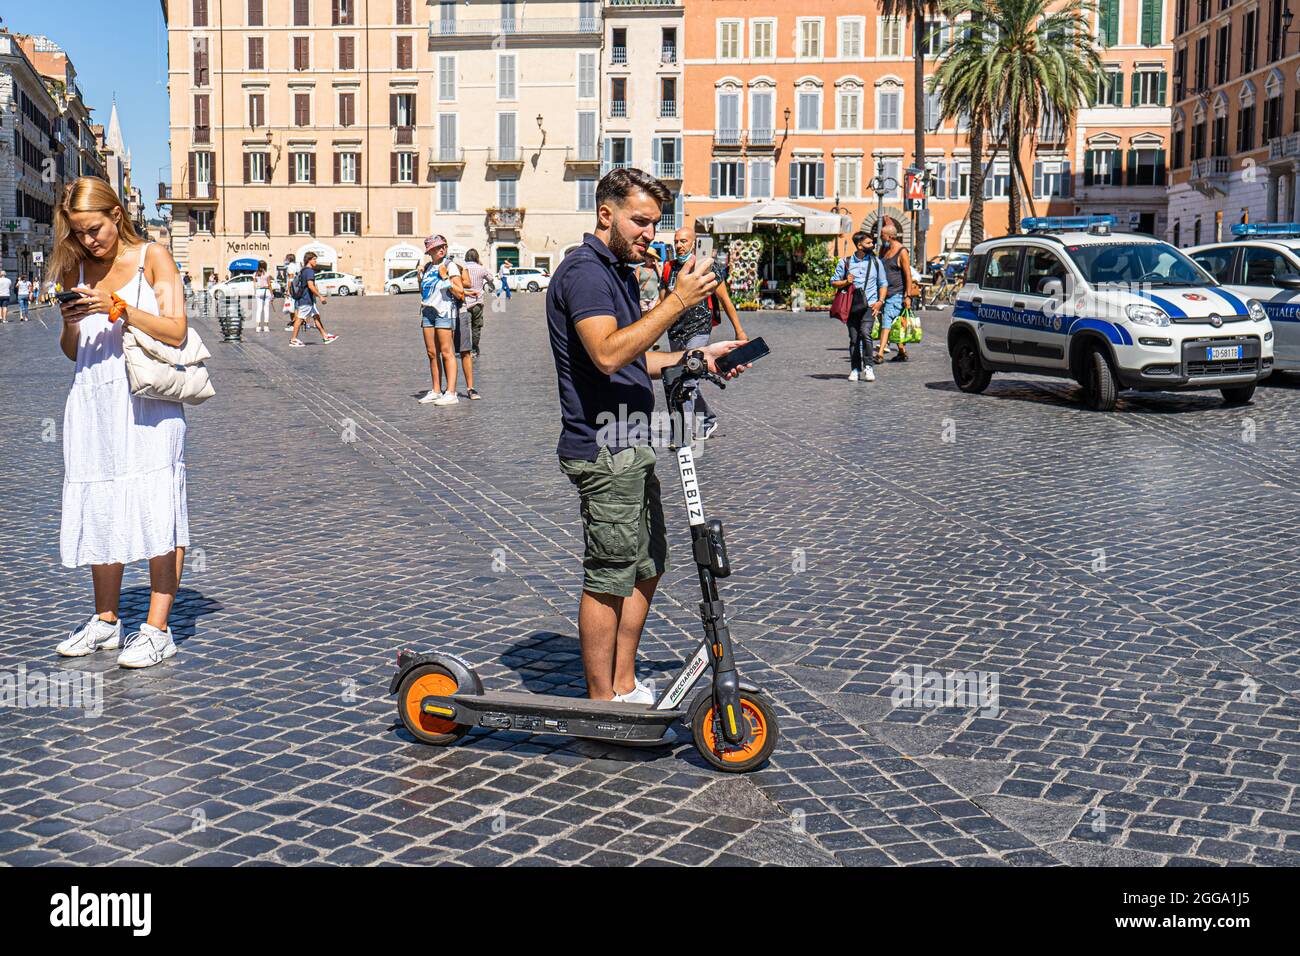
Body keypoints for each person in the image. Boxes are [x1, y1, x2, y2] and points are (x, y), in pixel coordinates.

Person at [547, 167, 747, 707]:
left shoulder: (616, 272)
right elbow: (608, 353)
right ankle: (601, 702)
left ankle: (624, 681)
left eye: (655, 224)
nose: (649, 234)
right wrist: (679, 302)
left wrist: (694, 359)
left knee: (646, 564)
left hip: (631, 442)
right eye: (640, 221)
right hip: (603, 447)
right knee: (610, 574)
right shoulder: (585, 273)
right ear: (605, 214)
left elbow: (633, 359)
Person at [51, 176, 191, 669]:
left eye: (94, 228)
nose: (89, 239)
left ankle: (157, 628)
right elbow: (74, 352)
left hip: (145, 402)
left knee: (157, 504)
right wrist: (71, 323)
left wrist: (121, 309)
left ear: (116, 214)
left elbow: (177, 331)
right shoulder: (76, 269)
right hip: (92, 402)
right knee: (101, 502)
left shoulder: (153, 257)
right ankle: (105, 621)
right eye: (79, 232)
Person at [659, 227, 747, 441]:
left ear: (693, 243)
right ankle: (708, 420)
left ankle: (683, 433)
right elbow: (663, 303)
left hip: (699, 328)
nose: (679, 245)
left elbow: (726, 301)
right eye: (676, 241)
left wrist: (739, 330)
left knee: (689, 377)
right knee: (682, 377)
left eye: (684, 241)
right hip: (676, 330)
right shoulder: (668, 268)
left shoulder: (706, 268)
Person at [831, 231, 888, 383]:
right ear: (859, 245)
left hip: (870, 305)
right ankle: (855, 369)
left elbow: (883, 284)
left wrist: (880, 301)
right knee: (854, 339)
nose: (872, 245)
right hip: (851, 306)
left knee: (865, 333)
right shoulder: (845, 262)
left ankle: (869, 366)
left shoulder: (876, 262)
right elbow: (834, 281)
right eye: (869, 243)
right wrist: (846, 282)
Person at [416, 236, 467, 404]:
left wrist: (445, 277)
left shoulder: (449, 266)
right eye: (437, 247)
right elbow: (424, 292)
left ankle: (451, 393)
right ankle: (436, 390)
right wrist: (419, 278)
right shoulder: (429, 267)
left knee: (447, 352)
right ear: (429, 251)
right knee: (432, 353)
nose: (441, 249)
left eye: (443, 246)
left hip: (444, 312)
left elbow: (460, 292)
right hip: (428, 311)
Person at [874, 221, 917, 365]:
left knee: (887, 321)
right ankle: (902, 352)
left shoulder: (902, 251)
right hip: (883, 293)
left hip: (896, 293)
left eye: (882, 236)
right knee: (894, 323)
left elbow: (908, 275)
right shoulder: (883, 251)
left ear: (890, 236)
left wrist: (908, 296)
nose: (880, 239)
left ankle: (880, 354)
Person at [288, 251, 338, 347]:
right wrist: (320, 296)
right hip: (306, 299)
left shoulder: (303, 270)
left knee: (316, 316)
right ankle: (293, 339)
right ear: (309, 260)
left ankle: (325, 336)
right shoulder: (309, 271)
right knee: (299, 319)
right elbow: (311, 286)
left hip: (308, 299)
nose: (316, 261)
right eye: (314, 259)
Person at [459, 248, 490, 357]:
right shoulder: (481, 268)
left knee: (464, 327)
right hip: (478, 302)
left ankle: (465, 350)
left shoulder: (462, 268)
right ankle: (475, 349)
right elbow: (491, 279)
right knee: (476, 328)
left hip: (464, 302)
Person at [635, 247, 662, 313]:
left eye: (653, 257)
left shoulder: (657, 268)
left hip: (654, 297)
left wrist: (657, 265)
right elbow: (635, 283)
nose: (651, 258)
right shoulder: (639, 268)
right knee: (644, 317)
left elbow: (662, 277)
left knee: (652, 315)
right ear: (645, 257)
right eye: (649, 256)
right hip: (642, 298)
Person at [252, 260, 273, 332]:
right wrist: (272, 294)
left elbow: (254, 284)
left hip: (258, 291)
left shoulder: (255, 274)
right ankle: (266, 327)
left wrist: (255, 292)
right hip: (266, 291)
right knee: (266, 309)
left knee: (259, 309)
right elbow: (269, 284)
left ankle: (258, 327)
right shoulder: (267, 274)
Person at [282, 253, 299, 330]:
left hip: (292, 289)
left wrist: (288, 290)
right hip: (297, 287)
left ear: (289, 259)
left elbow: (290, 279)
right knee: (295, 306)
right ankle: (295, 323)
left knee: (292, 307)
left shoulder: (290, 267)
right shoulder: (296, 266)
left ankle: (293, 324)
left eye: (286, 258)